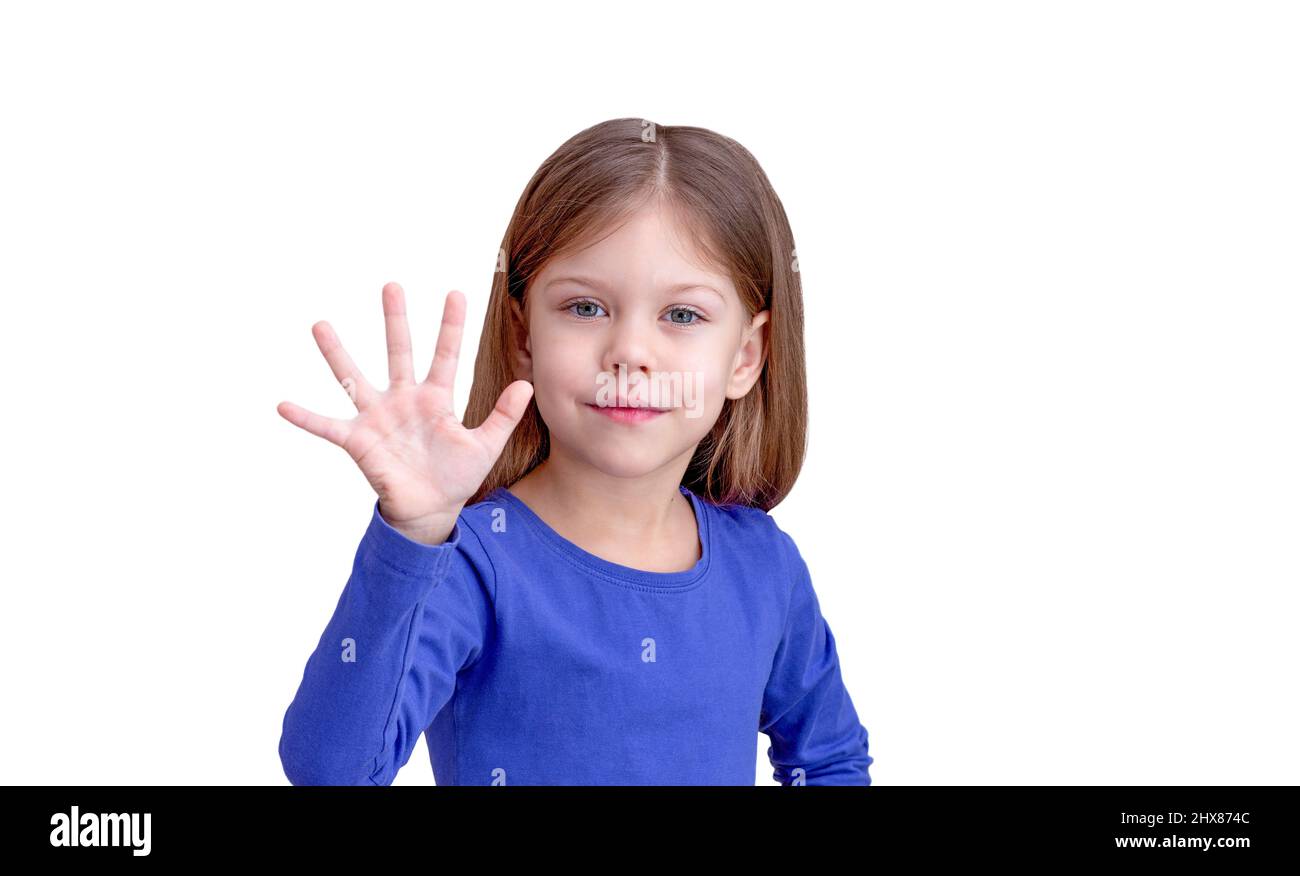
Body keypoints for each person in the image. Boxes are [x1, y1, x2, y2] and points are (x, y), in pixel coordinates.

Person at [276, 117, 873, 785]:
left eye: (682, 315)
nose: (629, 353)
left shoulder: (765, 566)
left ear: (746, 356)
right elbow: (332, 771)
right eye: (586, 308)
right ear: (524, 334)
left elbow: (829, 760)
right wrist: (411, 538)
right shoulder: (473, 559)